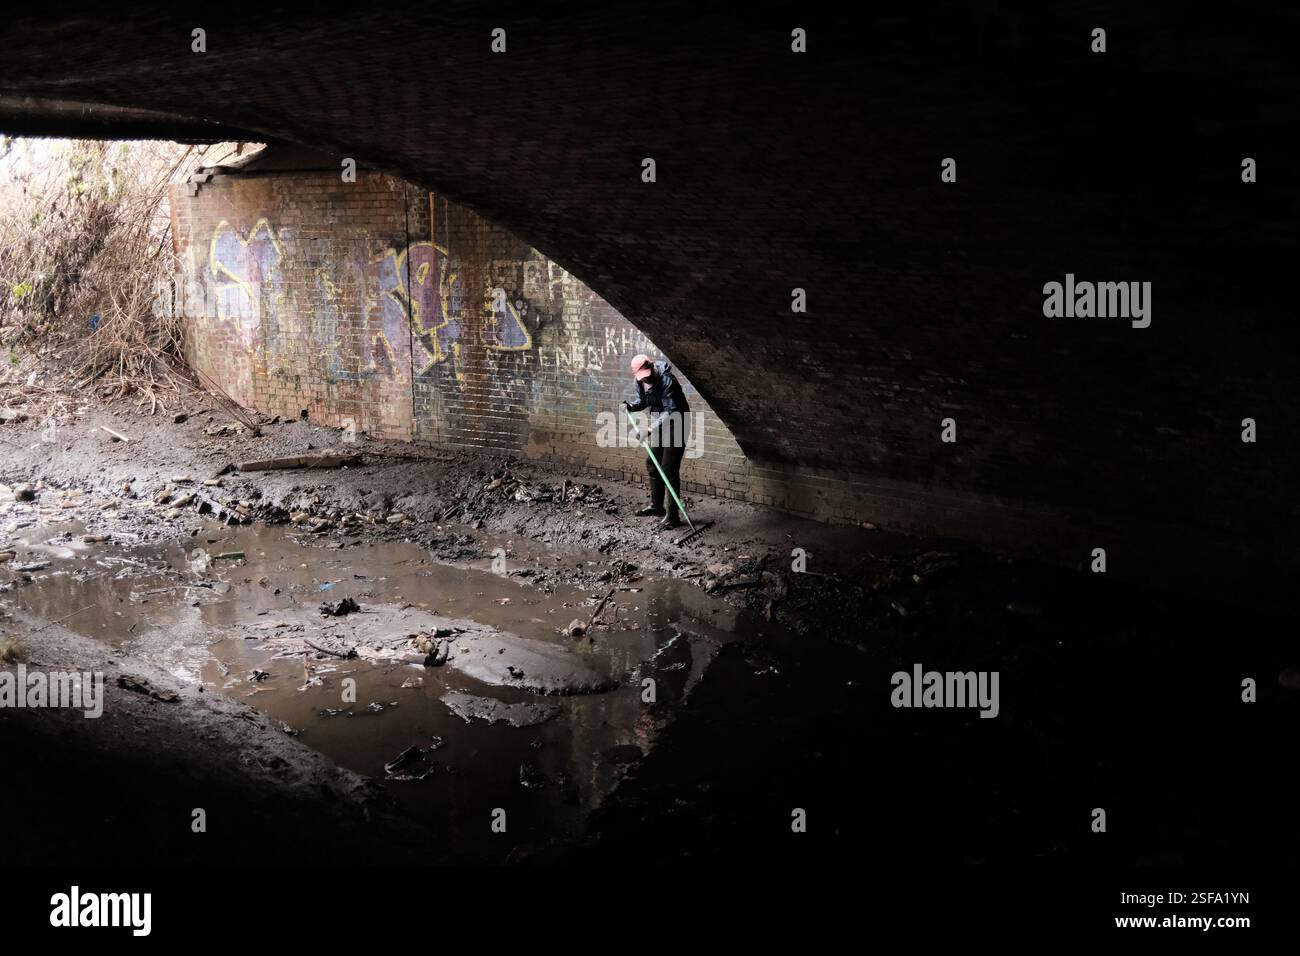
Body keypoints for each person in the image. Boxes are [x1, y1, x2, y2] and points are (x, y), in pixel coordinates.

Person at [623, 353, 690, 529]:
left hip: (678, 422)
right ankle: (656, 506)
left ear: (652, 367)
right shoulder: (640, 381)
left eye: (648, 374)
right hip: (658, 422)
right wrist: (631, 406)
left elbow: (671, 411)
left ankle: (673, 516)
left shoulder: (668, 380)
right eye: (642, 377)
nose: (646, 379)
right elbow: (643, 400)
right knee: (653, 464)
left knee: (669, 469)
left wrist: (650, 429)